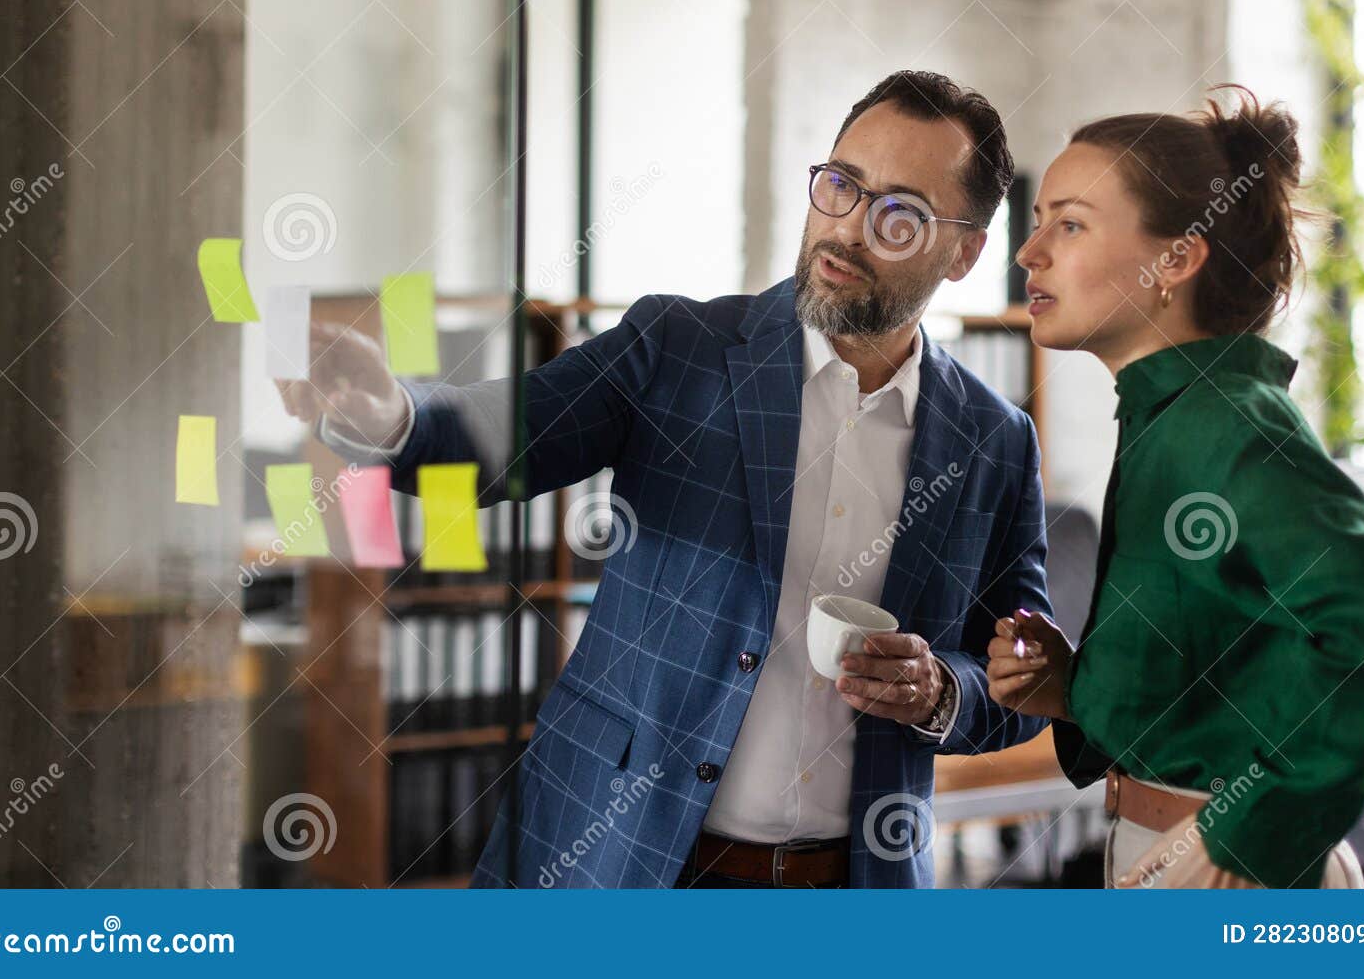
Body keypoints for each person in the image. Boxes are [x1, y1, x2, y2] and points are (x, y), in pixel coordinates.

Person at [279, 70, 1052, 888]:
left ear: (965, 251)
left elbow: (1017, 677)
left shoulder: (994, 442)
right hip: (620, 860)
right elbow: (504, 438)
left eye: (900, 214)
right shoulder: (678, 348)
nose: (849, 229)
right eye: (839, 186)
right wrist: (388, 413)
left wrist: (939, 691)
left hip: (847, 885)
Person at [986, 87, 1364, 889]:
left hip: (1217, 870)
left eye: (1069, 224)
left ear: (1176, 258)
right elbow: (1225, 680)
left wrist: (1250, 833)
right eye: (1037, 224)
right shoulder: (1172, 417)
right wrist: (1079, 689)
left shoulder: (1223, 424)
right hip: (1168, 848)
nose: (1030, 254)